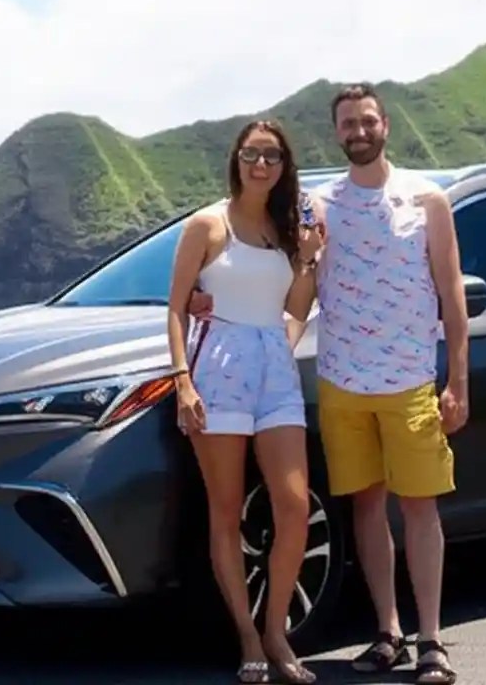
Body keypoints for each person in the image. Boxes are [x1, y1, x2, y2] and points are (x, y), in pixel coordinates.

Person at [188, 84, 469, 684]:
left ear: (386, 124)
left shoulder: (428, 201)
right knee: (366, 507)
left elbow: (451, 294)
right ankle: (387, 632)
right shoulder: (319, 207)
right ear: (337, 132)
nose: (359, 130)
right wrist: (213, 306)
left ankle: (432, 641)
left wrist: (458, 380)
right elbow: (297, 286)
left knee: (420, 508)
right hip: (342, 380)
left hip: (412, 379)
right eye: (348, 123)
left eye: (368, 120)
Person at [166, 119, 324, 684]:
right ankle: (248, 636)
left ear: (285, 166)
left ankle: (277, 628)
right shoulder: (207, 226)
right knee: (226, 510)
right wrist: (183, 381)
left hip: (274, 367)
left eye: (273, 156)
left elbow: (298, 306)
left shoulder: (288, 229)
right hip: (218, 366)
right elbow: (177, 308)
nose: (261, 165)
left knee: (294, 506)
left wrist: (307, 259)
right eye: (252, 154)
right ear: (235, 159)